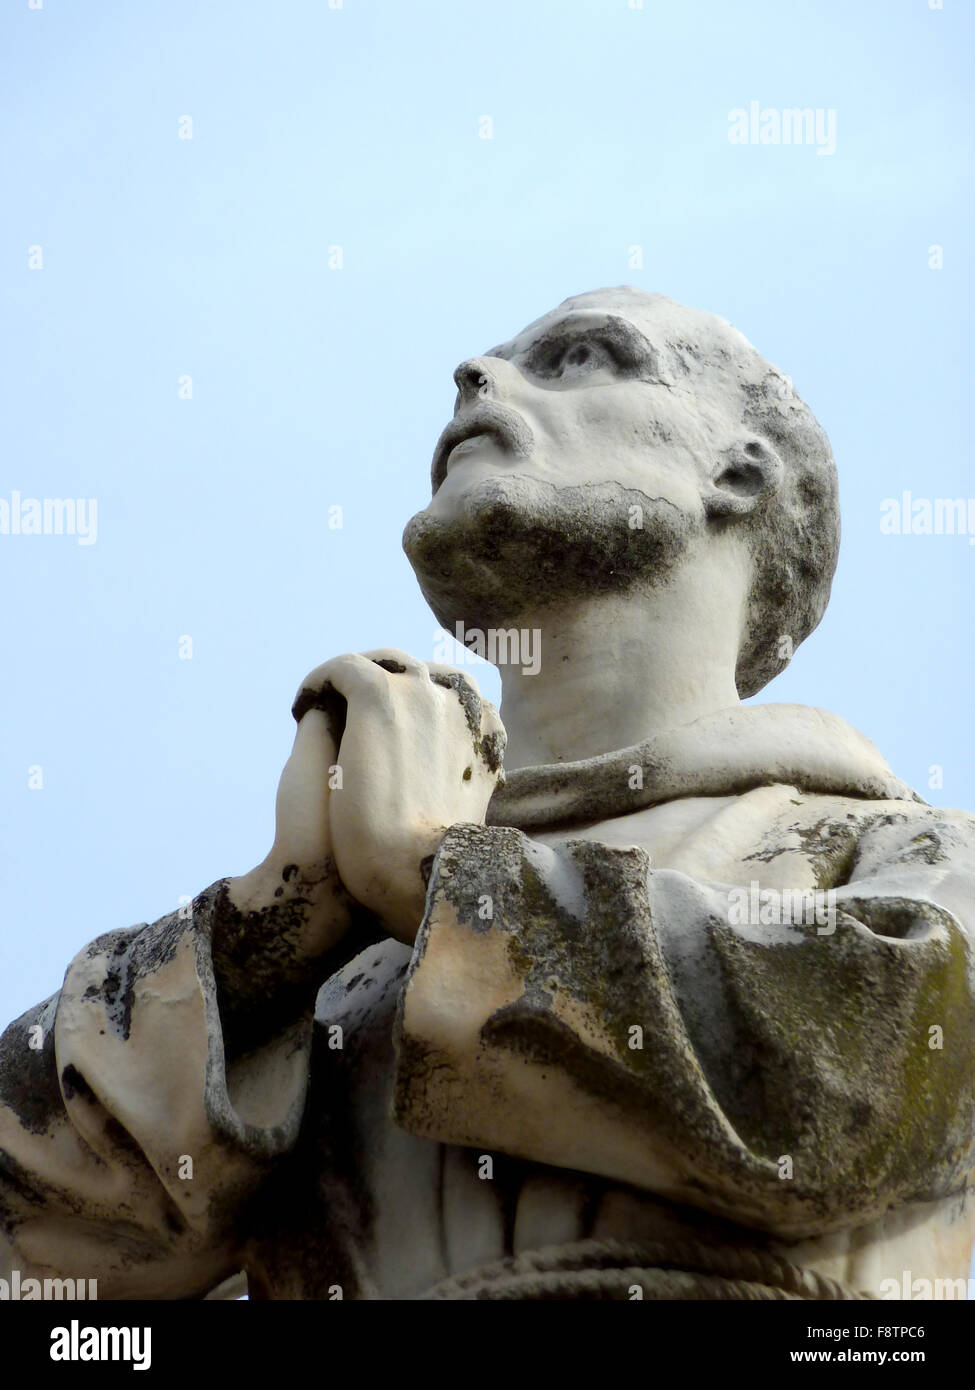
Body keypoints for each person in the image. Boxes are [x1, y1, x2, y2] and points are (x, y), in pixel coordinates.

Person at [2, 288, 973, 1300]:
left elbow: (852, 1092)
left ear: (735, 475)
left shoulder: (902, 860)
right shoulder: (335, 977)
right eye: (495, 360)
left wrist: (439, 880)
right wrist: (264, 934)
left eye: (584, 357)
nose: (475, 374)